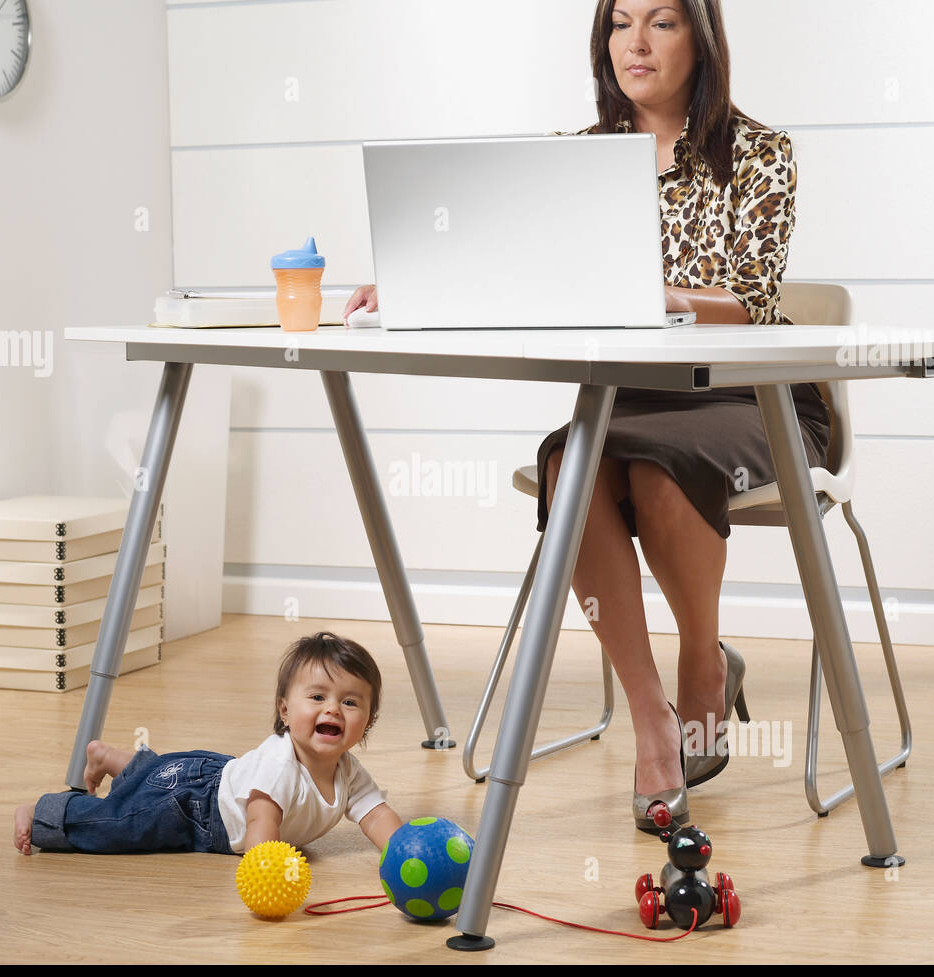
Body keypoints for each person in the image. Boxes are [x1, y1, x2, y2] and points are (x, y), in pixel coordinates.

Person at [345, 1, 829, 835]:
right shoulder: (579, 161)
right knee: (575, 464)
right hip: (630, 396)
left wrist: (661, 296)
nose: (634, 44)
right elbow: (509, 262)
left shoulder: (760, 154)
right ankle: (654, 725)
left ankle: (703, 669)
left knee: (654, 468)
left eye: (662, 22)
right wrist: (418, 281)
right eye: (619, 23)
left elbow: (752, 303)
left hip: (751, 396)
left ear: (702, 37)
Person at [12, 631, 404, 855]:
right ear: (284, 711)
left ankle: (115, 759)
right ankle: (43, 812)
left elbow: (377, 817)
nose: (333, 709)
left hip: (212, 774)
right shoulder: (280, 766)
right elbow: (261, 821)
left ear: (368, 720)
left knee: (156, 778)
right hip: (194, 807)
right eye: (317, 698)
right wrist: (265, 866)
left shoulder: (350, 773)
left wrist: (408, 851)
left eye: (350, 702)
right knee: (121, 823)